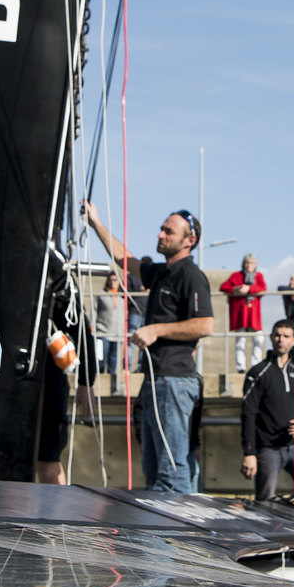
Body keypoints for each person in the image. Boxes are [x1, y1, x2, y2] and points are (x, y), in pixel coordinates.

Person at [81, 200, 214, 494]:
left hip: (174, 381)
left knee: (171, 474)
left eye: (168, 231)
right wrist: (96, 222)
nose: (160, 235)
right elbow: (123, 257)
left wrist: (156, 329)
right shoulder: (162, 273)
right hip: (156, 382)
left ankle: (178, 537)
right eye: (161, 229)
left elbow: (206, 324)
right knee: (153, 472)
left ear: (189, 240)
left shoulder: (190, 275)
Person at [239, 320, 294, 506]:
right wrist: (249, 453)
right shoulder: (257, 373)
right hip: (268, 449)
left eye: (286, 336)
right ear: (271, 338)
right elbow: (248, 414)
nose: (281, 340)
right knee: (265, 502)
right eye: (277, 335)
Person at [219, 253, 268, 372]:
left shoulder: (258, 276)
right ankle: (240, 367)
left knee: (258, 339)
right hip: (240, 313)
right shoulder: (236, 276)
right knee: (240, 340)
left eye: (252, 263)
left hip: (254, 314)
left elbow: (263, 288)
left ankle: (256, 365)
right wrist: (236, 289)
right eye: (247, 263)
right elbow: (224, 287)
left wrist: (249, 289)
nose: (249, 265)